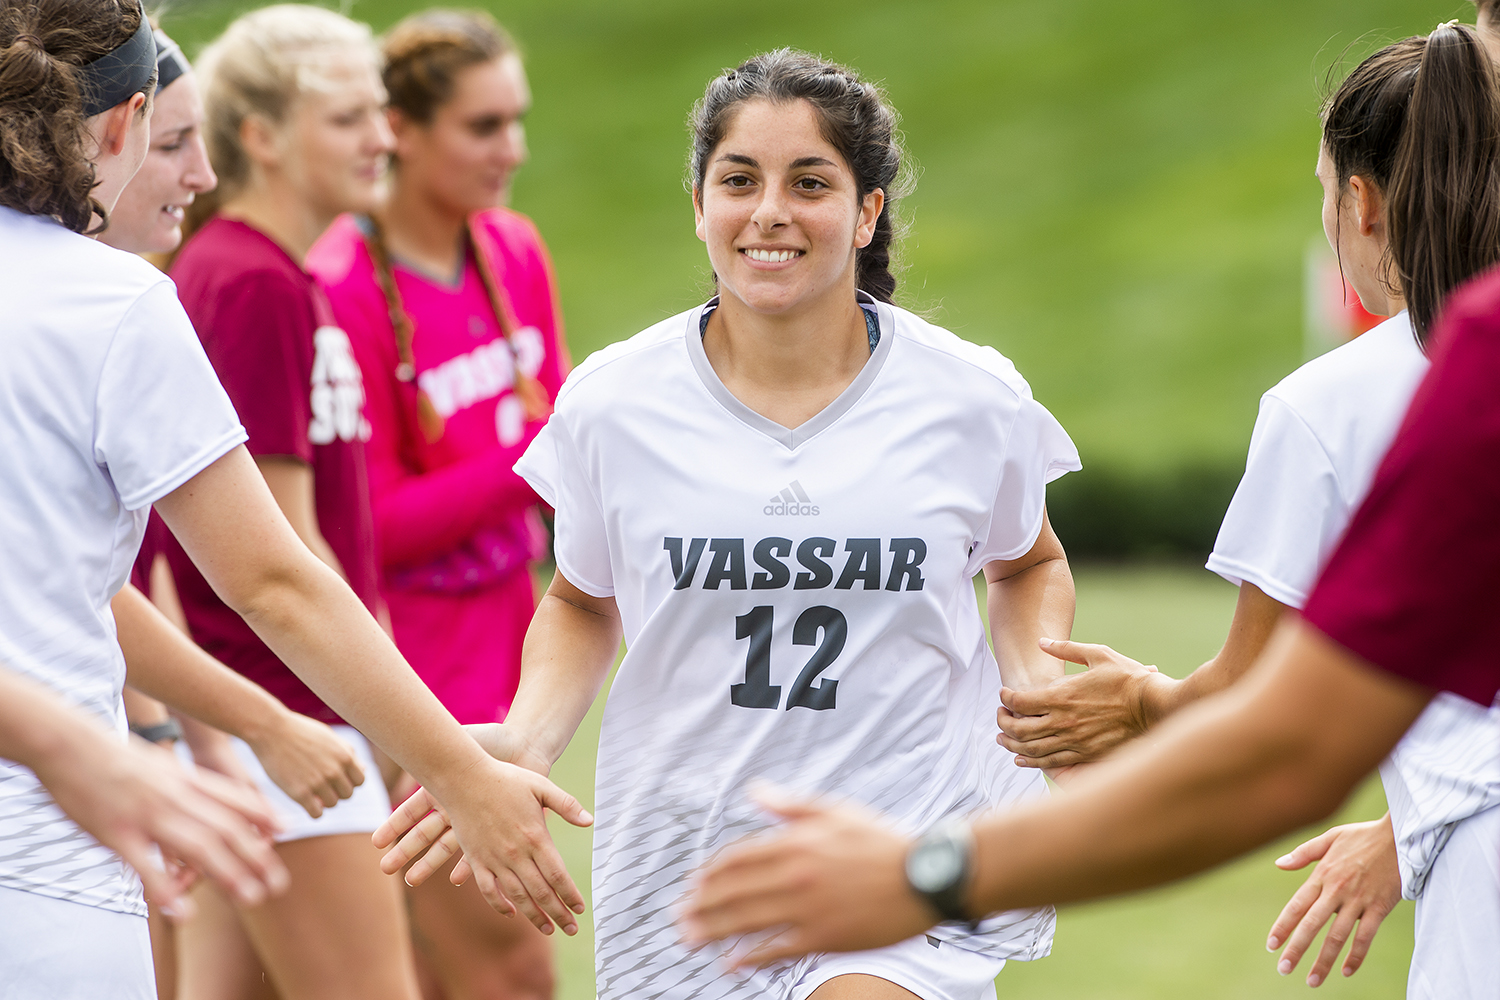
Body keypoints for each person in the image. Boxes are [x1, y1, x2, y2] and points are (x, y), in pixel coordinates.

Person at [671, 28, 1500, 972]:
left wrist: (930, 870)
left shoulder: (1354, 400)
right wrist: (1415, 822)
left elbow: (1276, 734)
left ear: (1358, 202)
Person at [379, 47, 1082, 1000]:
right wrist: (528, 736)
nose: (770, 213)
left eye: (811, 183)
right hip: (683, 863)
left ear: (868, 210)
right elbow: (584, 599)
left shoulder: (969, 396)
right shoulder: (614, 403)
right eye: (739, 180)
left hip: (900, 854)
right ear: (700, 206)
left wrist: (1035, 676)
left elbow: (1026, 562)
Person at [0, 1, 590, 996]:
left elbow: (77, 581)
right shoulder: (124, 297)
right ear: (117, 124)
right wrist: (454, 771)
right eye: (171, 138)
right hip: (50, 840)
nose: (199, 173)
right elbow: (273, 575)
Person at [981, 23, 1500, 996]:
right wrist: (1411, 822)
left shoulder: (1328, 406)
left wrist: (1142, 700)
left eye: (1320, 189)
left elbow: (1262, 699)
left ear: (1360, 200)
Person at [305, 10, 566, 997]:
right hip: (402, 666)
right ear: (400, 131)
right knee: (508, 968)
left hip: (508, 646)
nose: (515, 150)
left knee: (431, 968)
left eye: (517, 120)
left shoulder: (512, 247)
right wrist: (528, 452)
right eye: (484, 126)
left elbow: (560, 453)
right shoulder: (339, 285)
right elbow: (363, 529)